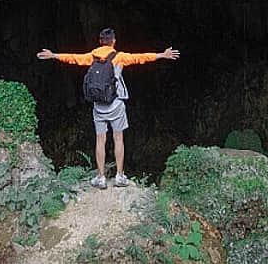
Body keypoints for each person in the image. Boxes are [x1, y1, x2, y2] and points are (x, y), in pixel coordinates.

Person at [37, 27, 180, 189]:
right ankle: (119, 176)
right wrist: (162, 54)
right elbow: (141, 57)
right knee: (118, 139)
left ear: (100, 42)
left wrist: (54, 55)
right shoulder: (119, 57)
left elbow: (73, 58)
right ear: (113, 42)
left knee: (100, 140)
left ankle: (101, 177)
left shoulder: (92, 56)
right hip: (116, 104)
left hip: (98, 105)